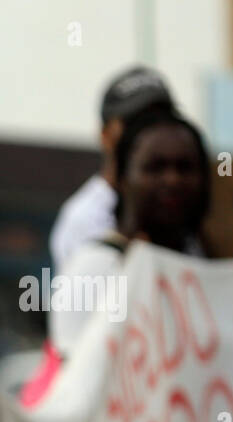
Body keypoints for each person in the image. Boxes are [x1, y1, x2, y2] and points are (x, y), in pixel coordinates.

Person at [44, 108, 210, 362]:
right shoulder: (92, 268)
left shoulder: (210, 265)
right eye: (155, 168)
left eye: (185, 167)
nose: (173, 180)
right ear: (122, 177)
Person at [49, 66, 175, 271]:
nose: (152, 133)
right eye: (137, 123)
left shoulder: (181, 203)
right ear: (105, 135)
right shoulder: (85, 218)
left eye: (162, 120)